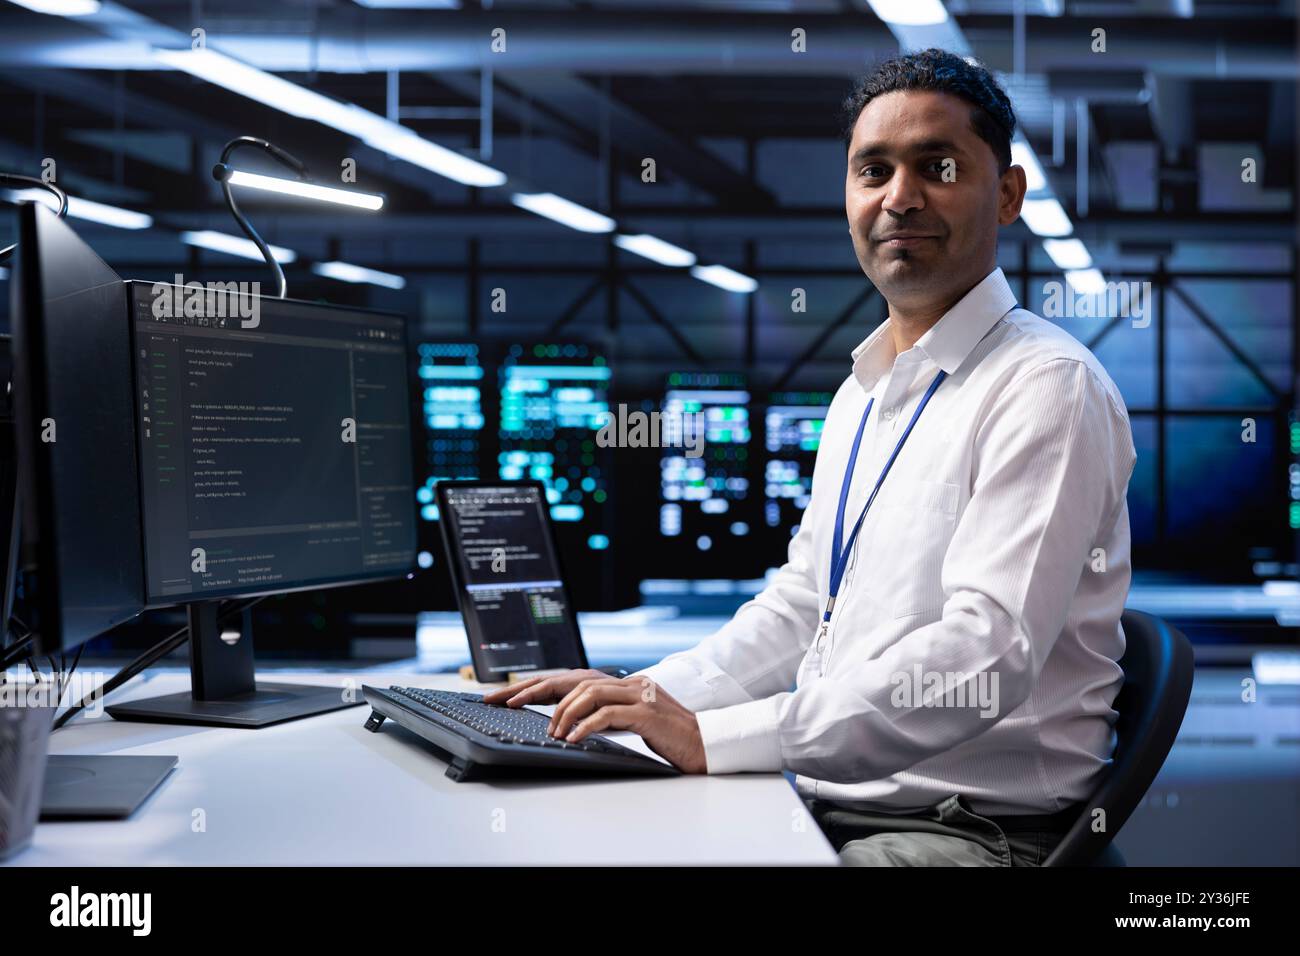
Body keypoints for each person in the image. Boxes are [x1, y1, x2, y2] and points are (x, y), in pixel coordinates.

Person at [484, 47, 1137, 867]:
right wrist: (651, 695)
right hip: (828, 798)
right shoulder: (862, 393)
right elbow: (801, 606)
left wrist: (716, 739)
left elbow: (986, 654)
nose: (901, 198)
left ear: (1006, 194)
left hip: (967, 831)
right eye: (873, 171)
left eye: (938, 166)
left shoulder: (1047, 387)